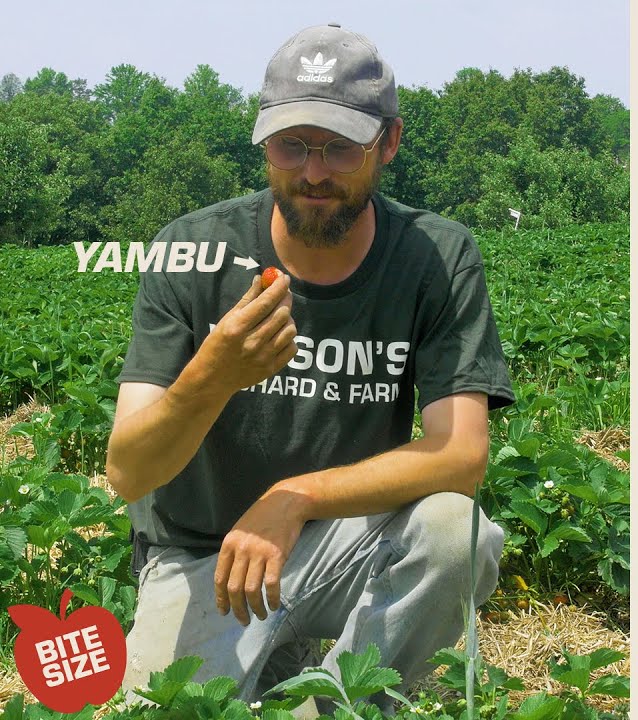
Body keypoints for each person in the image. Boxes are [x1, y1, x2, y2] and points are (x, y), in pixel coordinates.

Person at [105, 23, 513, 711]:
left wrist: (295, 498)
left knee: (454, 530)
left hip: (338, 547)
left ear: (389, 142)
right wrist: (215, 374)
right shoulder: (190, 251)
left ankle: (341, 705)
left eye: (339, 147)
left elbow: (462, 455)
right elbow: (128, 471)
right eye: (292, 145)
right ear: (264, 141)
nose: (313, 172)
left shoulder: (435, 257)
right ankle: (277, 656)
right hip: (200, 557)